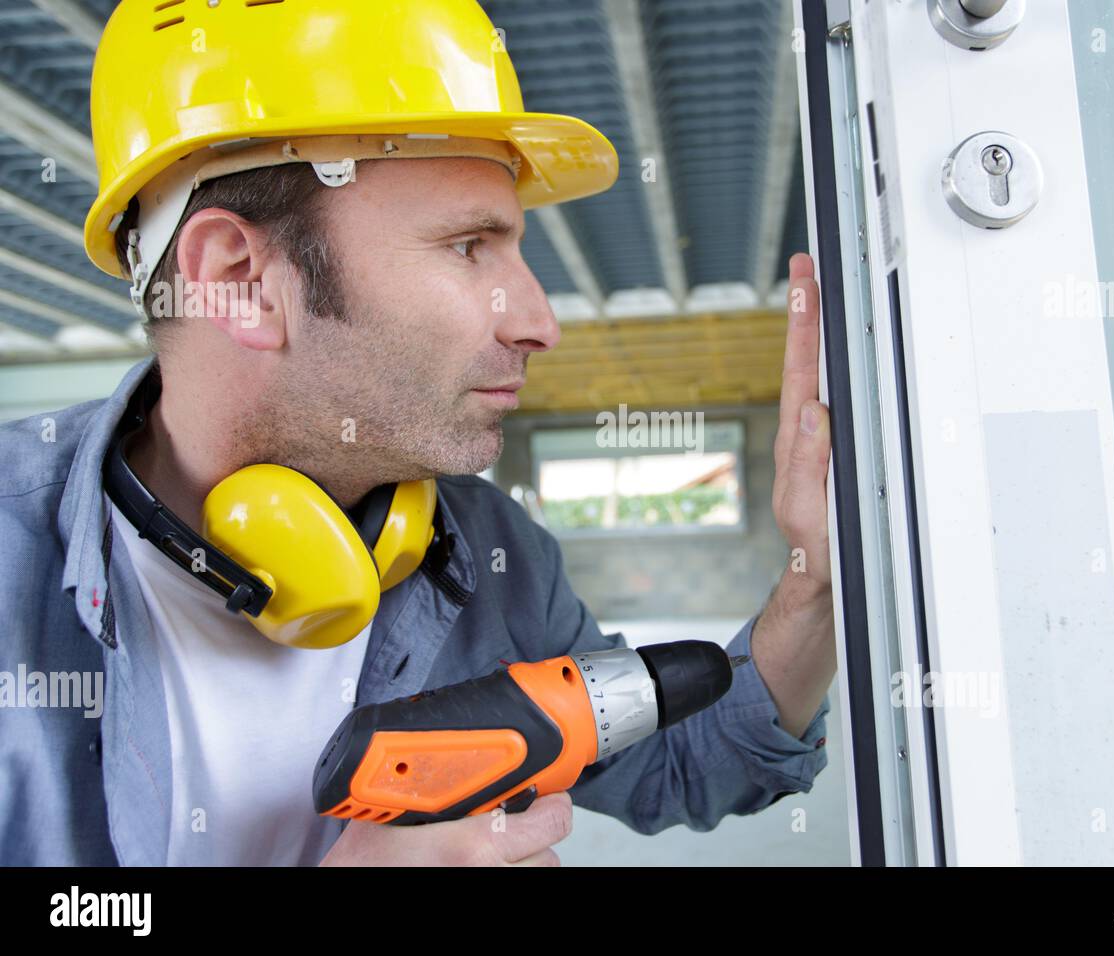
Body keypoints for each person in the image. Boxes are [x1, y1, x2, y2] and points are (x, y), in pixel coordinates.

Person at [0, 0, 836, 866]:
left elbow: (688, 761)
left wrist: (818, 575)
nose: (541, 323)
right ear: (242, 281)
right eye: (471, 246)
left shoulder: (491, 554)